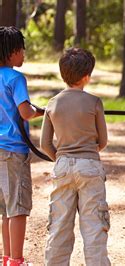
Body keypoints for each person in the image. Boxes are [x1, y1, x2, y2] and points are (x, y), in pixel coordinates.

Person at [40, 48, 111, 265]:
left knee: (59, 226)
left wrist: (62, 158)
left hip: (62, 167)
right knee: (94, 227)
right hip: (89, 166)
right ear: (87, 76)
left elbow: (44, 144)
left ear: (63, 74)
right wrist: (87, 155)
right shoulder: (94, 102)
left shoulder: (52, 104)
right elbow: (103, 141)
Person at [0, 26, 43, 266]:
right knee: (18, 207)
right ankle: (16, 261)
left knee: (6, 209)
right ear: (13, 52)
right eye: (22, 50)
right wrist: (43, 111)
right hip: (13, 150)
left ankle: (7, 258)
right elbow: (25, 112)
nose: (24, 54)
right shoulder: (15, 78)